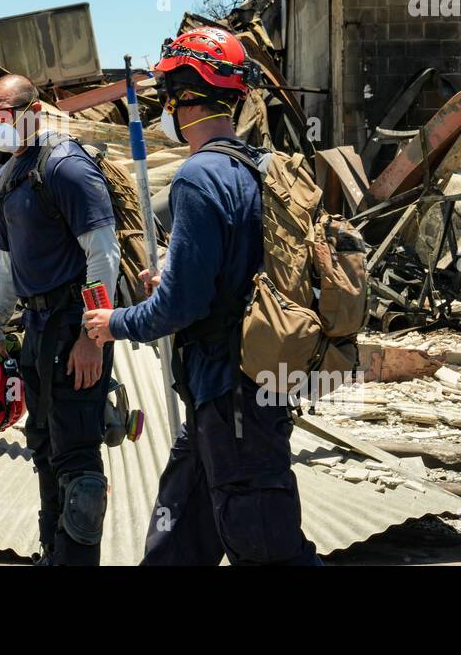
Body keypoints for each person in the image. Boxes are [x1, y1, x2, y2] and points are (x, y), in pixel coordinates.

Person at [82, 28, 317, 566]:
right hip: (236, 390)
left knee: (266, 545)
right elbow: (228, 276)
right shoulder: (258, 169)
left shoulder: (197, 178)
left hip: (232, 395)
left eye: (168, 98)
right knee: (179, 535)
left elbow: (180, 307)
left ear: (184, 100)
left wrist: (113, 322)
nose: (166, 110)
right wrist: (172, 279)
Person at [0, 73, 120, 565]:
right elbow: (5, 264)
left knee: (77, 459)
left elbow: (104, 255)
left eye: (4, 115)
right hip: (37, 330)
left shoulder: (65, 167)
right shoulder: (9, 176)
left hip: (73, 324)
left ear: (32, 113)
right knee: (42, 446)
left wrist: (92, 336)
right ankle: (53, 553)